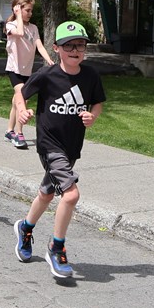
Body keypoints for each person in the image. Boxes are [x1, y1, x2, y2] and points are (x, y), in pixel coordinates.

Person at [12, 21, 106, 280]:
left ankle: (25, 228)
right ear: (57, 49)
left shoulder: (90, 76)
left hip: (71, 146)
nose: (75, 50)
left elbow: (97, 103)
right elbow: (20, 94)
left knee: (47, 193)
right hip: (49, 145)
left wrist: (92, 116)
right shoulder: (48, 75)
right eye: (69, 46)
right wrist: (22, 110)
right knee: (71, 195)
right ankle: (56, 247)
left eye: (80, 45)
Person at [2, 0, 54, 149]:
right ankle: (19, 134)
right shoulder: (10, 26)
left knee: (15, 101)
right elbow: (20, 33)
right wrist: (17, 15)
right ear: (18, 9)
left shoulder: (34, 28)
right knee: (22, 99)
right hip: (14, 69)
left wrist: (49, 60)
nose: (30, 13)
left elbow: (39, 46)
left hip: (26, 70)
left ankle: (9, 131)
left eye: (31, 10)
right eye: (27, 10)